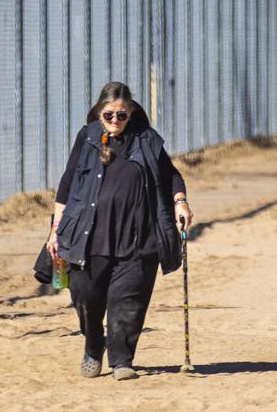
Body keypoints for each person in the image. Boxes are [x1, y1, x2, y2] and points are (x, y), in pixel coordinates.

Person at [47, 81, 194, 380]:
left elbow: (171, 176)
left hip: (137, 238)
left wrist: (180, 202)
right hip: (88, 238)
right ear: (99, 112)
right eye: (109, 115)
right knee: (85, 298)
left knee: (128, 302)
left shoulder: (146, 140)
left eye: (122, 115)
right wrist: (55, 230)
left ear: (131, 113)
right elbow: (67, 184)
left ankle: (122, 360)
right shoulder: (87, 138)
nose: (115, 121)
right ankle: (93, 345)